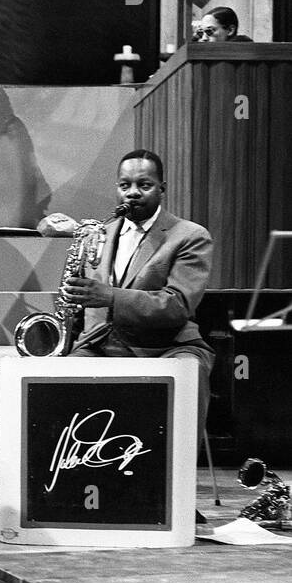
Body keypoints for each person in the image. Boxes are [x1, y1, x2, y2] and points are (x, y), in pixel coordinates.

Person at [64, 149, 215, 439]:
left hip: (166, 345)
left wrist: (110, 296)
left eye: (143, 185)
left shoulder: (190, 235)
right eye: (124, 186)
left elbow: (177, 306)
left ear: (162, 189)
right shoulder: (99, 234)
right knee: (57, 381)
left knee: (189, 372)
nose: (132, 193)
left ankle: (178, 476)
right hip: (102, 345)